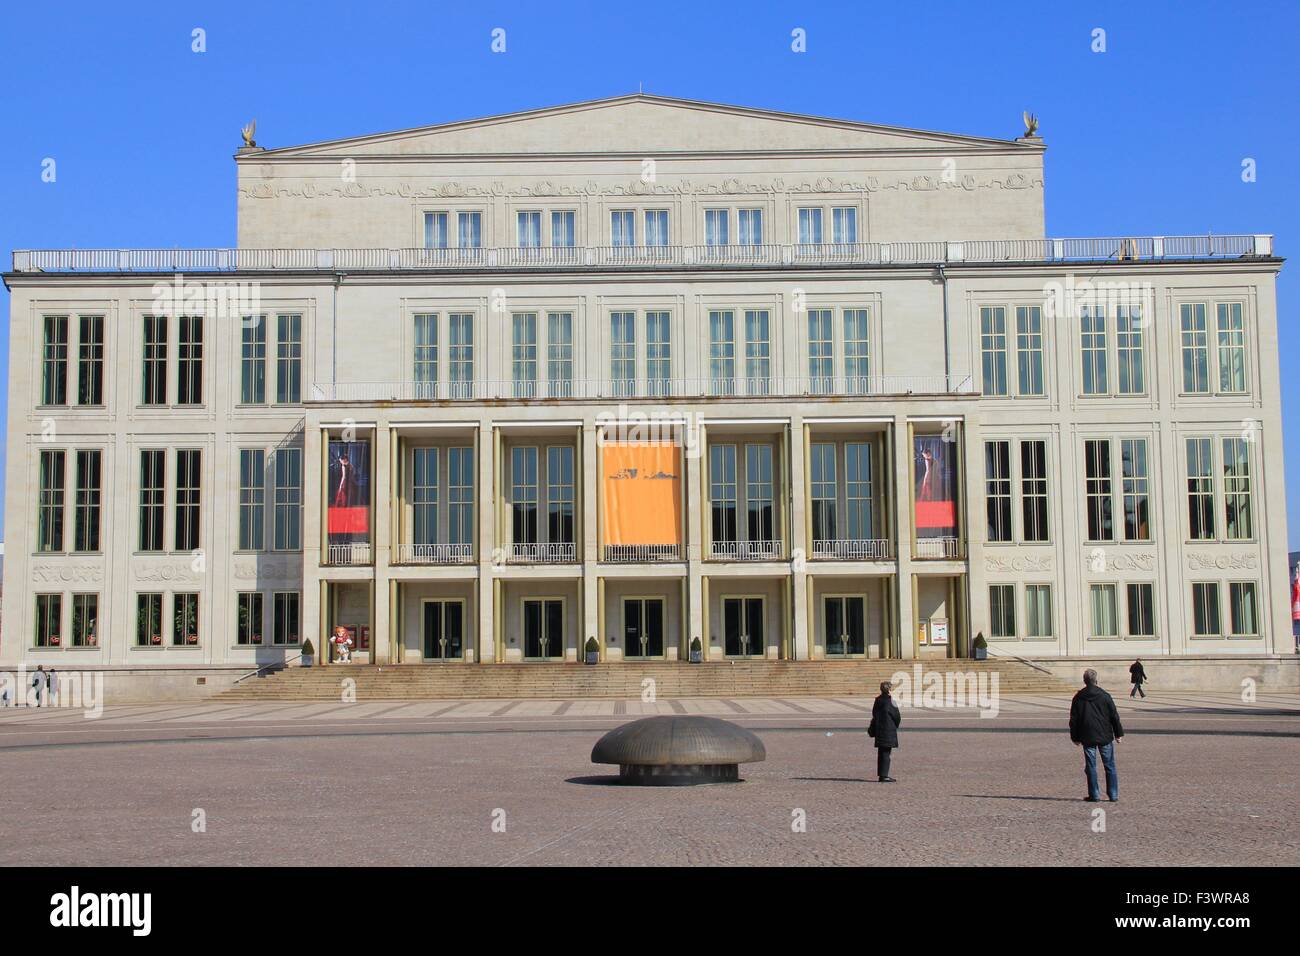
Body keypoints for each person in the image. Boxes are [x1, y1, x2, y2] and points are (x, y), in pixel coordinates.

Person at [1069, 669, 1124, 802]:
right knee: (1109, 765)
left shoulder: (1078, 697)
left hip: (1087, 736)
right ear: (1096, 680)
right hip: (1104, 735)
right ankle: (1113, 794)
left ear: (1084, 681)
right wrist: (1118, 734)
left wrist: (1075, 737)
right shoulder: (1105, 695)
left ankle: (1094, 794)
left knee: (1091, 766)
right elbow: (1114, 716)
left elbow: (1074, 720)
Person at [868, 680, 901, 782]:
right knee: (886, 753)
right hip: (888, 730)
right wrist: (894, 726)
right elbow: (897, 717)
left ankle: (882, 774)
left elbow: (874, 714)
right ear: (889, 689)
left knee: (882, 753)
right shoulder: (891, 702)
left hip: (879, 729)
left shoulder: (877, 701)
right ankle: (884, 776)